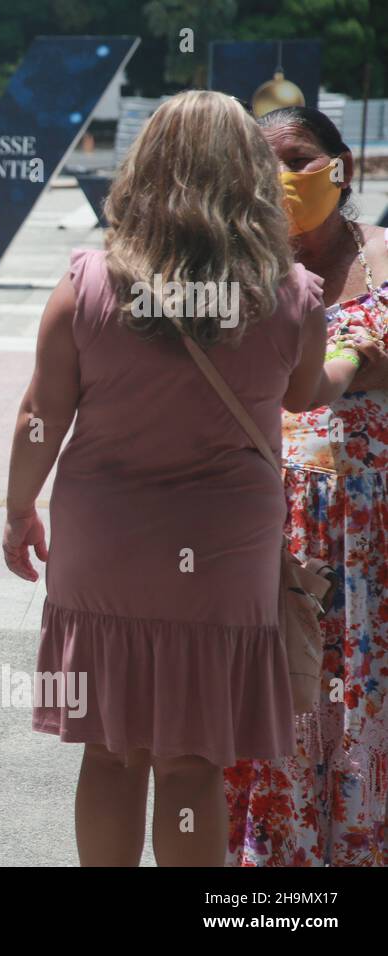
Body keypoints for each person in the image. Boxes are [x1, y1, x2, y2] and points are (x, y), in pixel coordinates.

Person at [1, 91, 383, 866]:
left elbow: (38, 417)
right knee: (191, 761)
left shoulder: (88, 284)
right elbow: (304, 397)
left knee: (109, 751)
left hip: (105, 547)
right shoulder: (292, 296)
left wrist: (18, 513)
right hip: (221, 556)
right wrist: (351, 361)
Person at [225, 105, 388, 867]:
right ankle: (278, 879)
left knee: (364, 694)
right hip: (268, 525)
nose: (283, 178)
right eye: (266, 164)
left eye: (299, 159)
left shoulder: (385, 258)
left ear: (339, 165)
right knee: (280, 702)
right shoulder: (232, 270)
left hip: (372, 528)